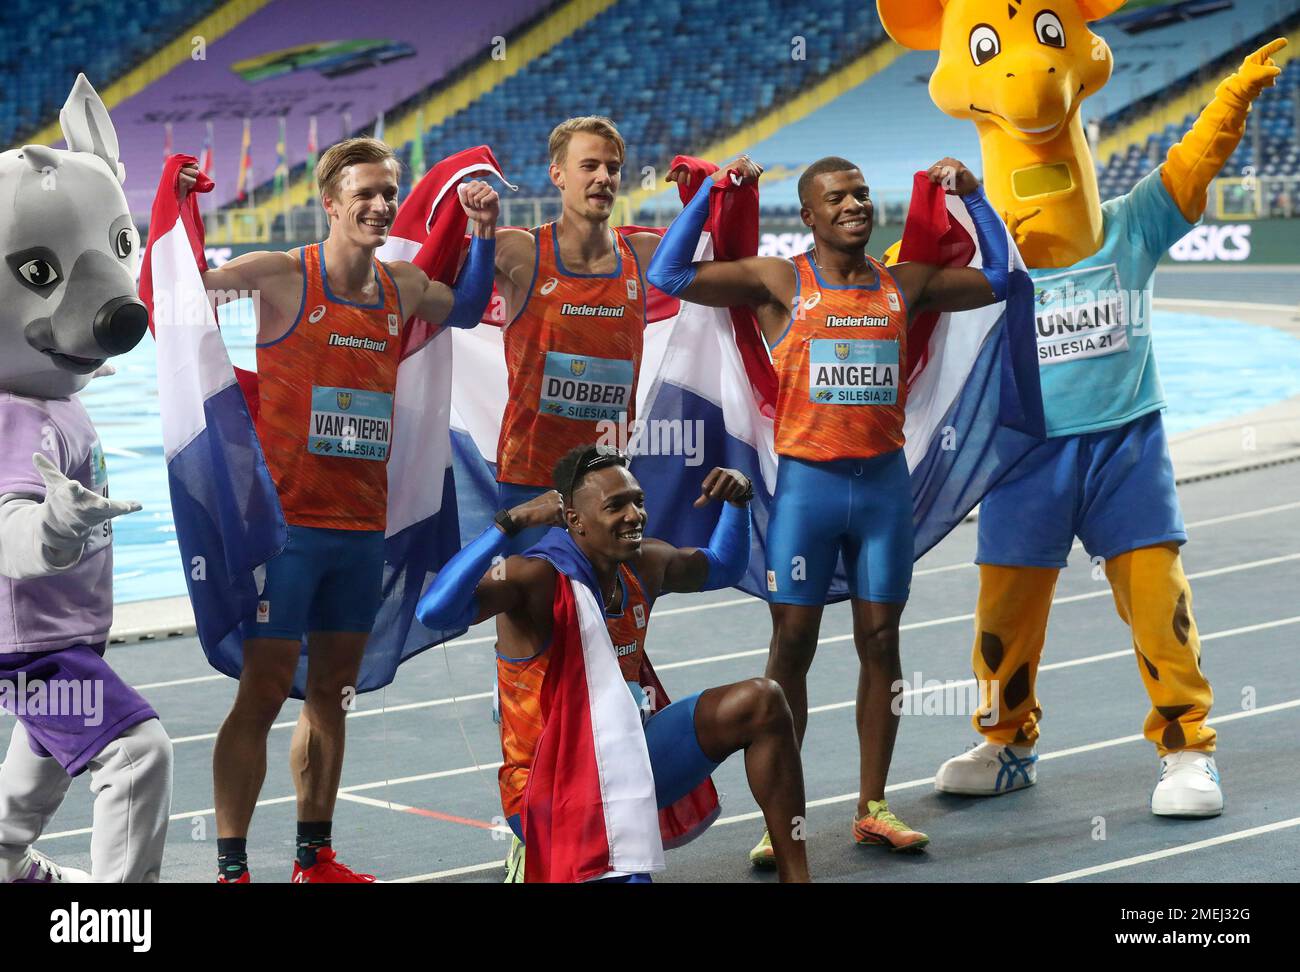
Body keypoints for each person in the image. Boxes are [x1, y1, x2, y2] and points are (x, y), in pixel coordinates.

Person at [648, 154, 1016, 865]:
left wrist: (973, 200)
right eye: (836, 198)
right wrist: (715, 194)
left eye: (861, 193)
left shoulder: (904, 283)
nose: (854, 205)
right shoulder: (779, 281)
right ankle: (780, 818)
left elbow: (1002, 280)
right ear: (809, 217)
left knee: (882, 645)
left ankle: (873, 806)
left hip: (882, 492)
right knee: (792, 649)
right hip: (808, 494)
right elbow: (668, 276)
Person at [175, 136, 499, 882]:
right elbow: (185, 285)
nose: (382, 204)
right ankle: (230, 868)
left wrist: (480, 232)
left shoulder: (405, 286)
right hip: (287, 534)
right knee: (261, 693)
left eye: (390, 192)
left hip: (362, 533)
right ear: (330, 201)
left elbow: (474, 308)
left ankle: (312, 858)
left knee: (332, 695)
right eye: (366, 192)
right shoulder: (281, 277)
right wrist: (185, 202)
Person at [417, 445, 810, 882]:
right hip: (546, 789)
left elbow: (721, 568)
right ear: (575, 520)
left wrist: (739, 503)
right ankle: (536, 853)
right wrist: (510, 523)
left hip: (624, 762)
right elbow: (434, 613)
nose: (634, 516)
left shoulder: (644, 565)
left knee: (764, 701)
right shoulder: (534, 578)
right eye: (615, 505)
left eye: (638, 500)